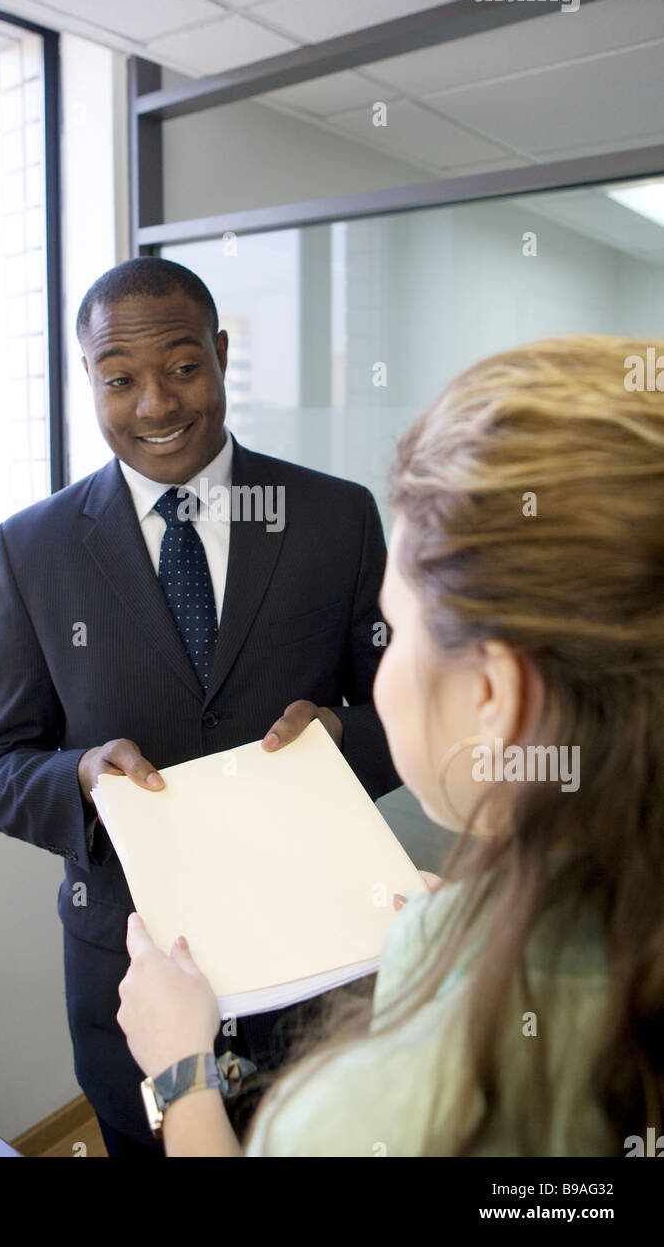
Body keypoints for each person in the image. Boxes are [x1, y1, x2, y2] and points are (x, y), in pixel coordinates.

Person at [116, 332, 664, 1156]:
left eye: (398, 626)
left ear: (493, 695)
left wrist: (181, 1078)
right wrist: (464, 937)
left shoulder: (363, 1121)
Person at [0, 257, 401, 1155]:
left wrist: (344, 738)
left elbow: (410, 722)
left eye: (182, 366)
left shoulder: (336, 518)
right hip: (132, 979)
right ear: (90, 381)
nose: (156, 404)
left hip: (321, 963)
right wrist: (82, 776)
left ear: (221, 354)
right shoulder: (32, 549)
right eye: (120, 380)